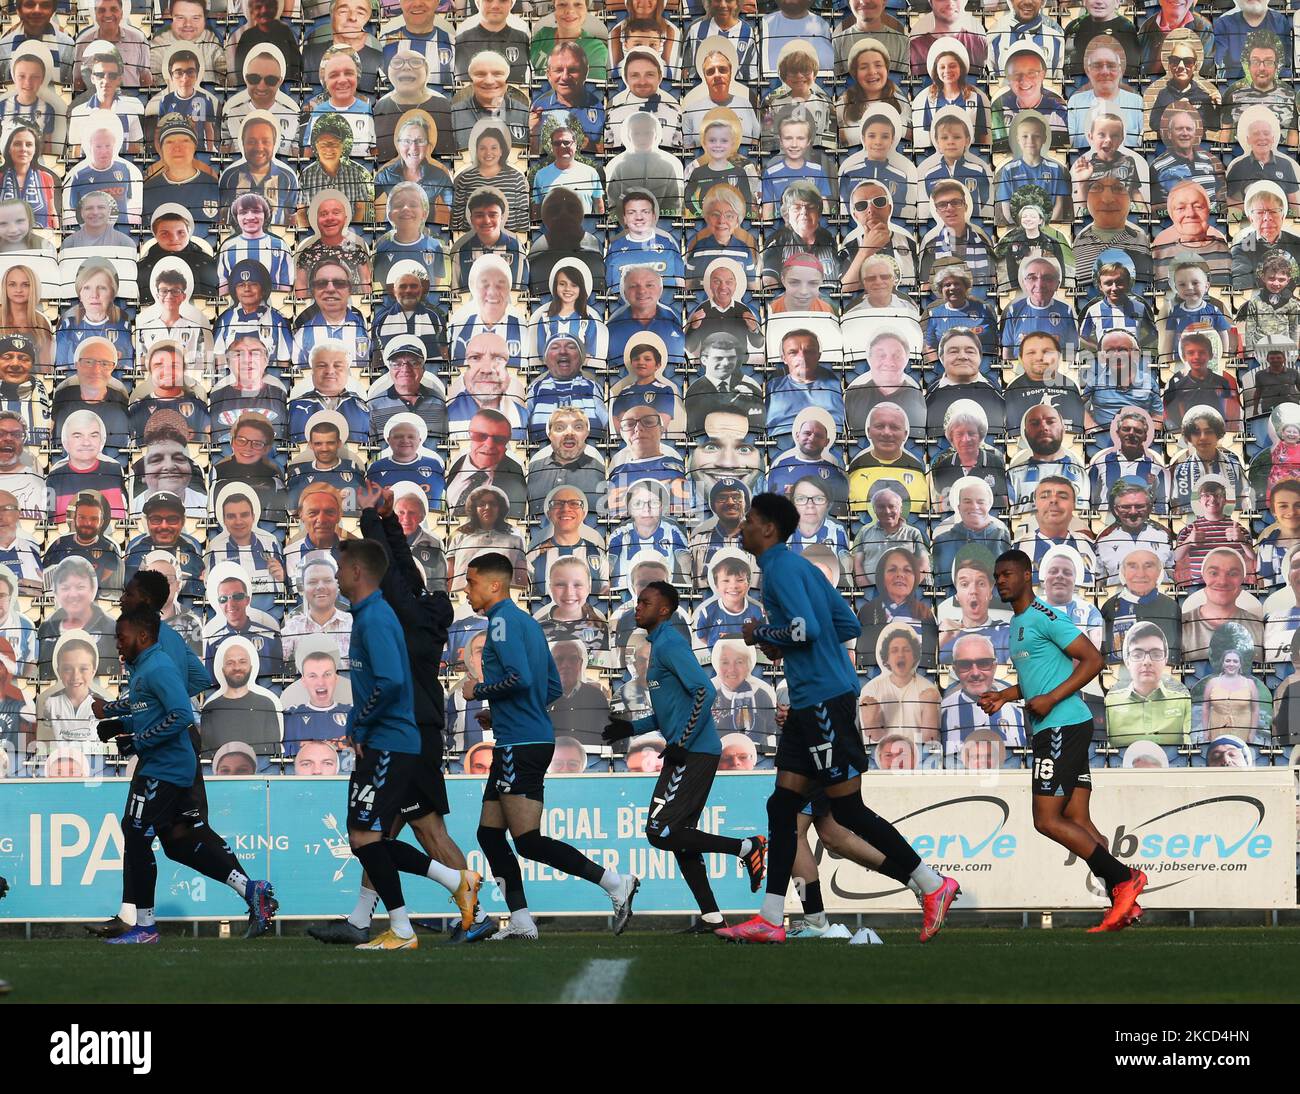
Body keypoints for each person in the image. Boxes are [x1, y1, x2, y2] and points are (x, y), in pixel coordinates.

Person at [716, 493, 956, 943]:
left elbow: (804, 628)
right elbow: (845, 625)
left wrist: (760, 633)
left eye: (749, 520)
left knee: (847, 810)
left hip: (824, 701)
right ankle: (770, 919)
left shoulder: (779, 569)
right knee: (782, 806)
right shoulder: (800, 566)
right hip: (813, 702)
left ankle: (932, 884)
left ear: (768, 528)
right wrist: (784, 641)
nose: (741, 527)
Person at [311, 484, 487, 945]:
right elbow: (402, 574)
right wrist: (389, 522)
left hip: (409, 730)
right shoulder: (417, 613)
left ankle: (476, 911)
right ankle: (361, 918)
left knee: (425, 831)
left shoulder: (411, 619)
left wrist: (373, 520)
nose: (410, 587)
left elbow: (390, 577)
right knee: (377, 833)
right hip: (410, 728)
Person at [460, 551, 639, 940]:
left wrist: (480, 692)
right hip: (522, 736)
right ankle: (521, 921)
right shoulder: (524, 622)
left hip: (520, 744)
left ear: (494, 585)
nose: (466, 589)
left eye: (471, 582)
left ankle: (614, 882)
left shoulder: (503, 622)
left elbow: (519, 679)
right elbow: (551, 687)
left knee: (527, 841)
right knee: (489, 836)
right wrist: (504, 713)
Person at [979, 549, 1146, 932]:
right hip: (1061, 725)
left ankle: (1123, 879)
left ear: (1027, 575)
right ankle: (1124, 904)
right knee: (1078, 819)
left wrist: (1052, 699)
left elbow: (1092, 660)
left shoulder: (1046, 617)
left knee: (1046, 820)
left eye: (1007, 574)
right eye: (997, 575)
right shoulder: (1018, 624)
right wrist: (1005, 695)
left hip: (1061, 727)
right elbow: (1041, 678)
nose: (1000, 581)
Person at [93, 608, 277, 944]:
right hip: (166, 766)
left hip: (165, 768)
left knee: (136, 834)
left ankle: (145, 927)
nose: (117, 643)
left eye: (122, 636)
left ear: (143, 636)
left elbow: (180, 714)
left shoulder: (158, 667)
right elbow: (149, 712)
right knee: (178, 843)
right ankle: (251, 889)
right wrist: (118, 724)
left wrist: (138, 741)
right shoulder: (144, 668)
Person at [603, 579, 767, 928]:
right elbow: (670, 711)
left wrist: (682, 742)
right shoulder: (659, 644)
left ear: (664, 609)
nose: (638, 607)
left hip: (691, 753)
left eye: (646, 602)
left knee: (659, 831)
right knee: (679, 834)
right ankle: (711, 915)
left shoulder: (670, 644)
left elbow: (704, 692)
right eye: (638, 602)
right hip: (686, 751)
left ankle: (747, 848)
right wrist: (630, 728)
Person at [84, 568, 219, 938]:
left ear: (144, 603)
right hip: (160, 741)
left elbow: (172, 704)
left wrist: (135, 726)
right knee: (148, 830)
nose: (123, 598)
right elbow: (193, 681)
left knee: (179, 833)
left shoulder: (161, 649)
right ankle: (135, 916)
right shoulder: (159, 646)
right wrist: (119, 713)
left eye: (128, 593)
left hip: (171, 746)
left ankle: (250, 890)